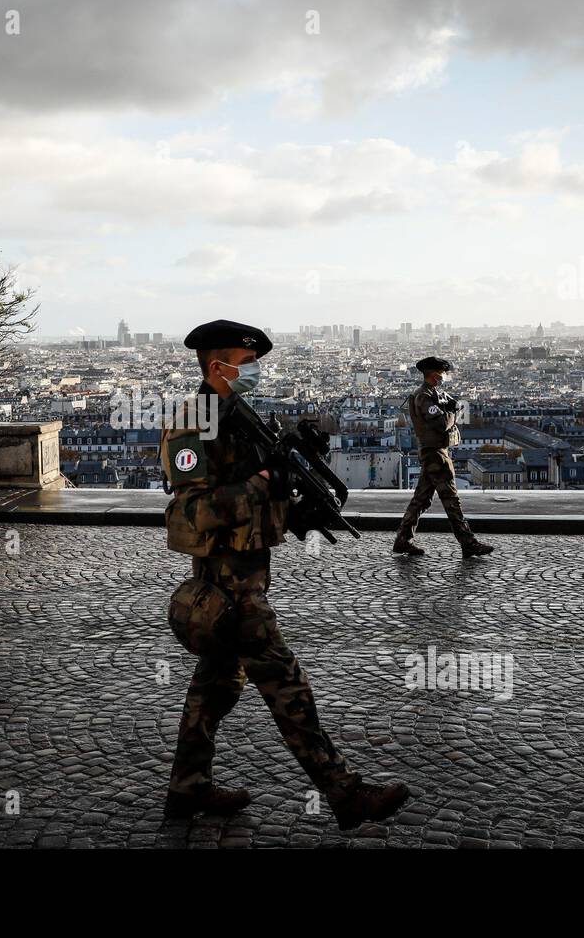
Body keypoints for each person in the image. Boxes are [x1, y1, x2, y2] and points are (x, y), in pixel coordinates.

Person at [160, 318, 410, 830]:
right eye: (247, 365)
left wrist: (291, 503)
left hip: (246, 572)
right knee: (284, 682)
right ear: (217, 365)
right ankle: (345, 794)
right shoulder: (194, 421)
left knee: (215, 688)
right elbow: (192, 512)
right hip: (228, 583)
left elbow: (256, 489)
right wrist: (264, 481)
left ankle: (188, 791)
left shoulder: (236, 414)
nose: (254, 374)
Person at [394, 356, 494, 558]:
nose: (444, 377)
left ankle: (403, 540)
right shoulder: (424, 396)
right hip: (435, 453)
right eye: (442, 373)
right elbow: (441, 424)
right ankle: (467, 542)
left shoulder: (429, 394)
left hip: (433, 451)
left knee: (421, 499)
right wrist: (453, 411)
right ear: (434, 375)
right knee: (450, 498)